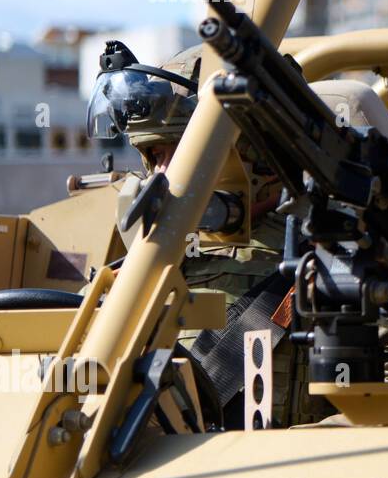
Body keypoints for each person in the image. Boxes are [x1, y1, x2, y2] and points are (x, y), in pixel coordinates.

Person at [86, 40, 325, 427]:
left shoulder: (334, 260)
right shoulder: (143, 260)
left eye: (182, 155)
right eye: (155, 156)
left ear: (262, 156)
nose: (163, 176)